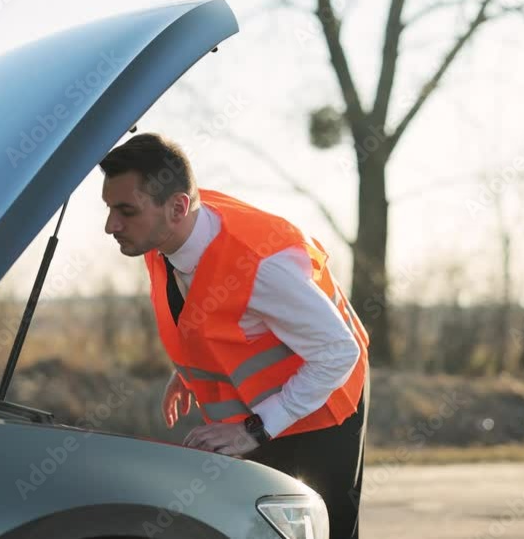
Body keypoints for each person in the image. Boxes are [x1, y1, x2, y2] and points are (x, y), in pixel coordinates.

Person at [99, 133, 370, 539]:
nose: (110, 225)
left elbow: (337, 351)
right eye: (109, 208)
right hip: (265, 405)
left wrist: (254, 430)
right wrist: (191, 372)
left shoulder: (263, 268)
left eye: (125, 211)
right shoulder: (166, 232)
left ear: (177, 207)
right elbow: (210, 313)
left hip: (322, 402)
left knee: (318, 531)